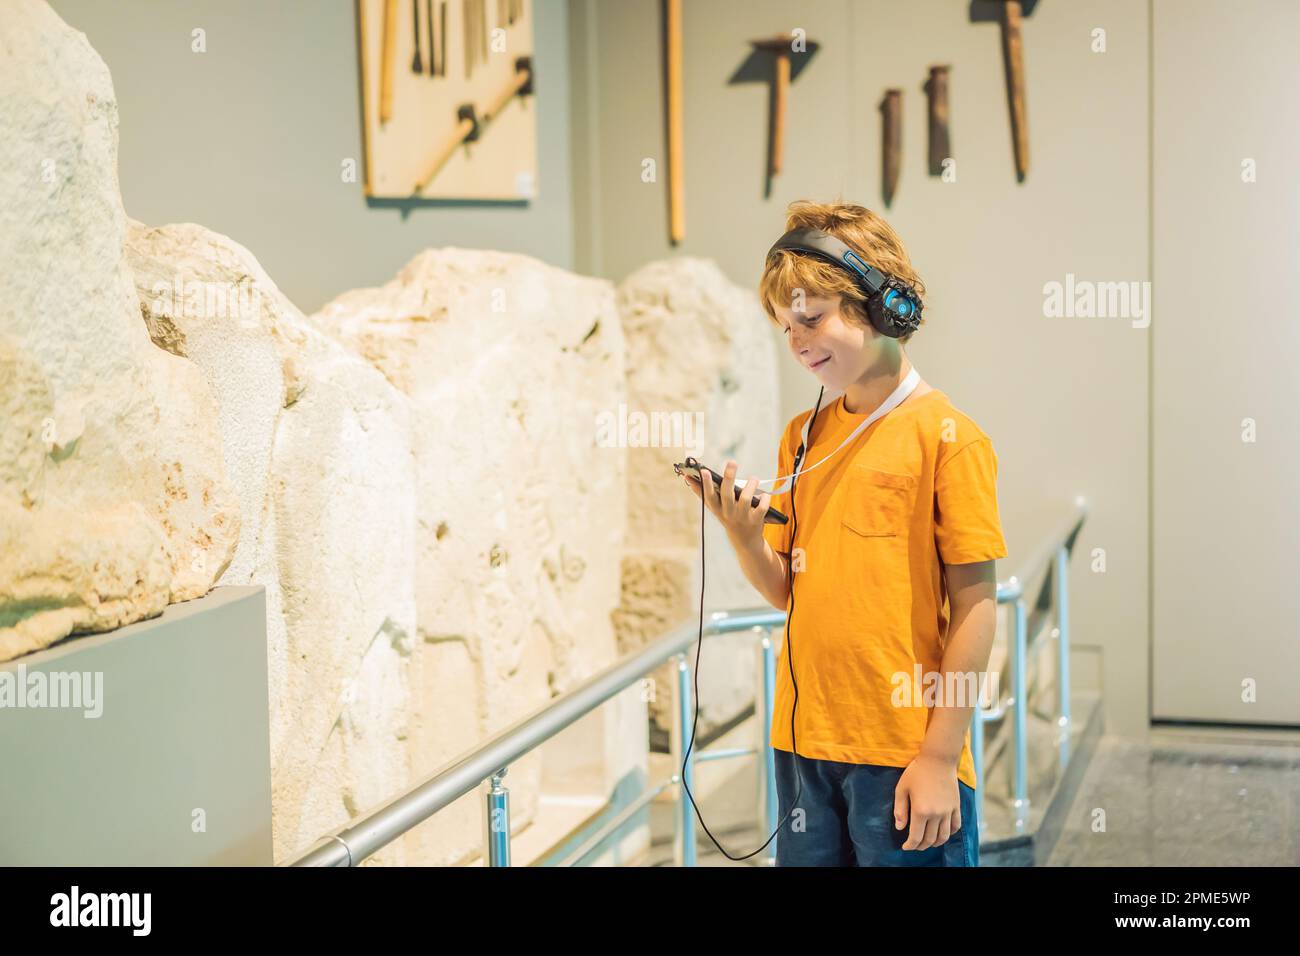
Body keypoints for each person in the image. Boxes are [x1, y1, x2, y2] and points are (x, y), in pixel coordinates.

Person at [680, 199, 1007, 866]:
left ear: (886, 306)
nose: (797, 341)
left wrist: (939, 756)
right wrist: (743, 535)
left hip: (903, 749)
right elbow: (787, 591)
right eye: (785, 327)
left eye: (812, 318)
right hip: (803, 745)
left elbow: (976, 608)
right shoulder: (803, 437)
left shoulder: (949, 438)